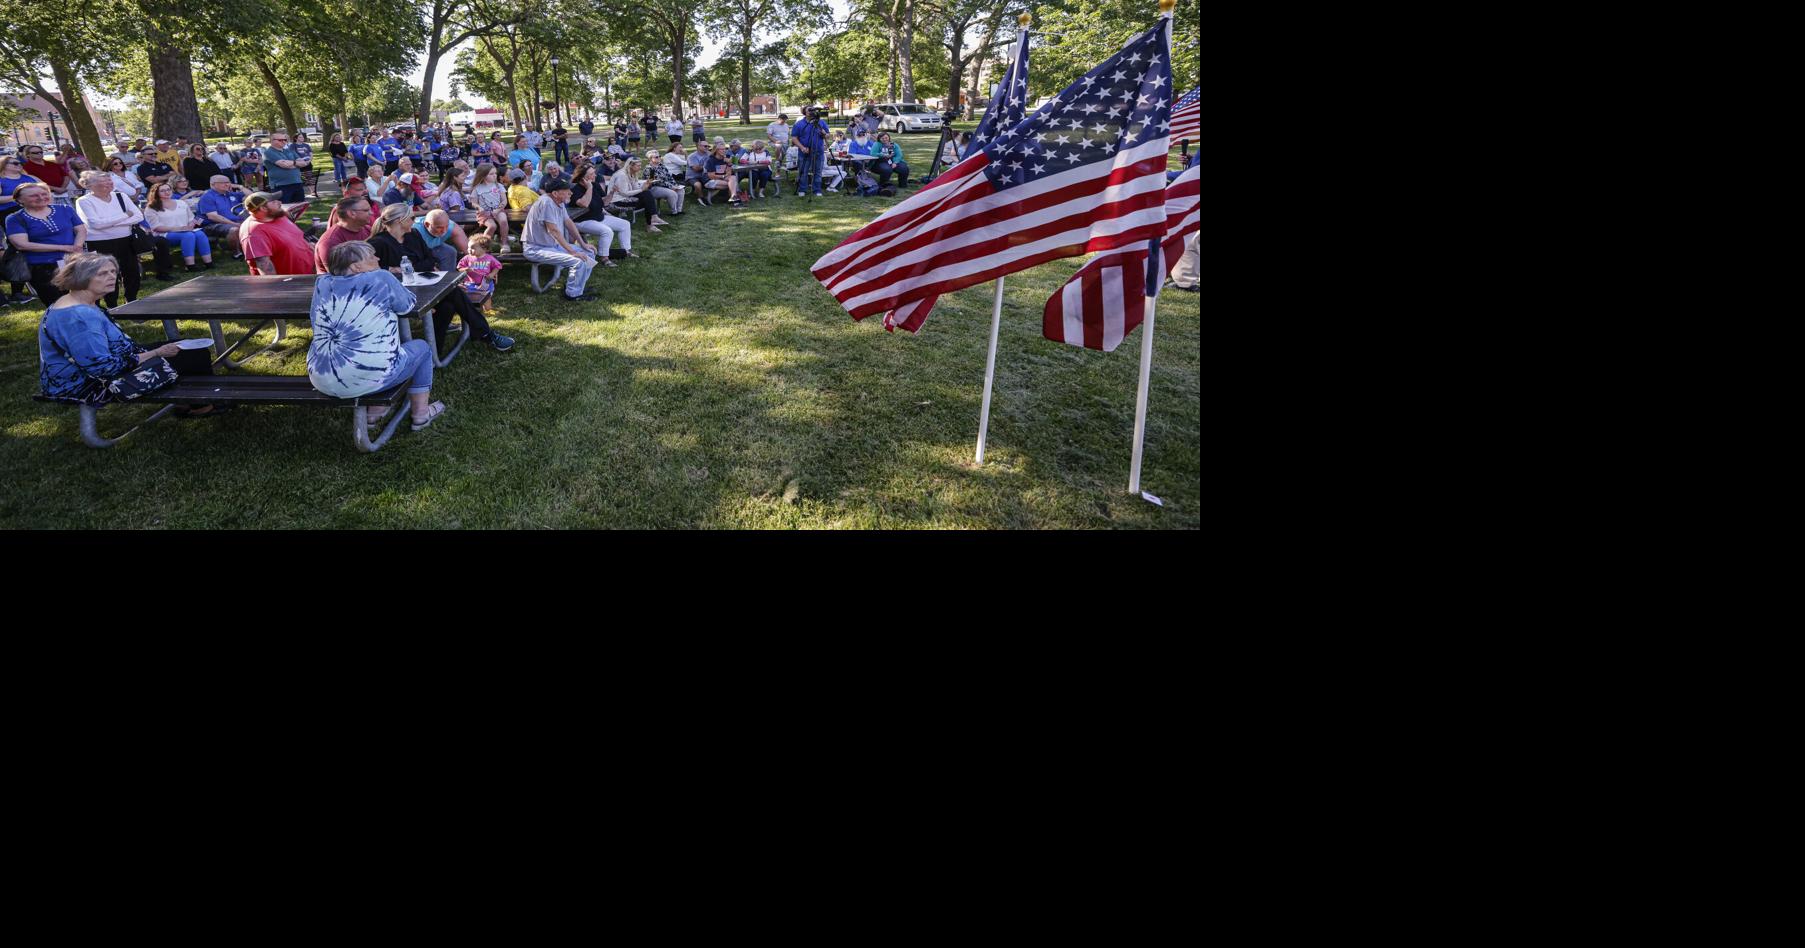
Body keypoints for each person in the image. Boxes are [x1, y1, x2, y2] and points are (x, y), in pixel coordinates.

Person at [308, 240, 446, 431]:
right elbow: (407, 306)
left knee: (378, 356)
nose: (378, 258)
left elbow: (314, 319)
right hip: (371, 376)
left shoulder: (322, 283)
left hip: (321, 378)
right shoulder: (380, 277)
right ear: (356, 267)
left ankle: (376, 411)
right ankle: (421, 415)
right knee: (422, 348)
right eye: (371, 256)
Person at [38, 253, 189, 405]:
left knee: (186, 348)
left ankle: (186, 404)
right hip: (85, 385)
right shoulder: (79, 317)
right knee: (192, 357)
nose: (112, 277)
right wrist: (156, 353)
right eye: (102, 274)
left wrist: (153, 352)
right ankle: (191, 405)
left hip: (113, 364)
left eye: (113, 271)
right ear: (82, 277)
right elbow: (103, 368)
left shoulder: (79, 302)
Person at [367, 202, 514, 351]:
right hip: (401, 294)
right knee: (453, 295)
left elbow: (430, 260)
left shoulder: (413, 235)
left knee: (448, 305)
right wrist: (391, 269)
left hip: (423, 284)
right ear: (400, 221)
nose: (414, 221)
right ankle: (486, 334)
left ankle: (434, 350)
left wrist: (407, 269)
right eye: (412, 217)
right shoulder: (378, 243)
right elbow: (366, 271)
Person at [77, 170, 170, 306]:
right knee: (106, 275)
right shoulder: (84, 201)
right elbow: (96, 224)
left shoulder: (121, 196)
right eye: (103, 181)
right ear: (89, 185)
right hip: (99, 243)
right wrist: (125, 215)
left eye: (109, 180)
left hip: (126, 240)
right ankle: (112, 305)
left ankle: (131, 300)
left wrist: (110, 222)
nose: (109, 183)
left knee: (131, 272)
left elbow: (138, 216)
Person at [5, 182, 84, 306]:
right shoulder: (15, 218)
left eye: (44, 194)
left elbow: (81, 230)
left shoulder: (65, 209)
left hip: (72, 261)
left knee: (83, 298)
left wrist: (77, 247)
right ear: (20, 200)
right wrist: (63, 247)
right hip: (42, 267)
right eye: (34, 196)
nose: (41, 197)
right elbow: (22, 244)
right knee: (56, 303)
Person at [522, 178, 601, 302]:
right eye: (567, 190)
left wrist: (583, 244)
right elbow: (553, 231)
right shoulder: (546, 203)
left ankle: (578, 287)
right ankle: (572, 295)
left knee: (589, 253)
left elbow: (568, 222)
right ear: (555, 193)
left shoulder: (559, 201)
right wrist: (572, 252)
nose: (571, 193)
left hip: (552, 246)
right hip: (536, 249)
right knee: (578, 261)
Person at [238, 191, 314, 277]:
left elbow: (295, 238)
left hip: (309, 274)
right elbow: (265, 267)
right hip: (291, 281)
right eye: (274, 202)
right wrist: (276, 285)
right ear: (263, 208)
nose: (280, 202)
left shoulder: (278, 216)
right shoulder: (253, 232)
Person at [0, 156, 43, 304]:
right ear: (4, 165)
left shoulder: (29, 178)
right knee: (18, 248)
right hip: (10, 214)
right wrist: (19, 197)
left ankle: (41, 281)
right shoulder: (2, 180)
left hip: (34, 211)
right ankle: (16, 290)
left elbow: (44, 188)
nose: (19, 165)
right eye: (15, 163)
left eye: (21, 163)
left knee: (39, 243)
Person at [567, 163, 627, 264]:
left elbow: (605, 202)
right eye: (591, 174)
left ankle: (626, 250)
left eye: (594, 173)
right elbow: (584, 204)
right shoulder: (575, 189)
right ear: (583, 177)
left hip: (598, 217)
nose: (595, 175)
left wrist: (611, 192)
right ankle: (604, 258)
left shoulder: (595, 185)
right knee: (607, 231)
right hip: (582, 221)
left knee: (625, 224)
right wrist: (589, 188)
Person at [143, 183, 213, 272]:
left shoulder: (181, 203)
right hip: (165, 234)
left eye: (168, 189)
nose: (167, 192)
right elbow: (156, 227)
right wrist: (179, 229)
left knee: (200, 234)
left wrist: (191, 225)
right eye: (162, 191)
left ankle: (208, 263)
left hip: (185, 230)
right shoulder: (151, 208)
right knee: (188, 236)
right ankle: (190, 266)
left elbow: (191, 218)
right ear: (156, 193)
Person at [316, 193, 374, 273]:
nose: (371, 213)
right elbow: (338, 275)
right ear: (351, 214)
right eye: (366, 210)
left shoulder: (367, 230)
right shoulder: (330, 241)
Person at [195, 175, 249, 254]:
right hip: (214, 224)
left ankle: (254, 248)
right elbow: (213, 217)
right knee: (234, 229)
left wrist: (240, 186)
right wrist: (234, 224)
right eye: (223, 183)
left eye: (228, 182)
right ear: (213, 184)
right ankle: (237, 253)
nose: (227, 184)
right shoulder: (207, 197)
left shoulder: (231, 194)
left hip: (235, 221)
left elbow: (253, 196)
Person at [610, 157, 668, 230]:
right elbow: (624, 193)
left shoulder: (632, 173)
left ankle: (652, 220)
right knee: (647, 200)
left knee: (647, 195)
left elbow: (635, 188)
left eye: (640, 165)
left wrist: (645, 185)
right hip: (618, 200)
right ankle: (650, 223)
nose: (640, 167)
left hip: (627, 196)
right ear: (630, 166)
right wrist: (641, 189)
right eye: (638, 166)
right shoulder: (622, 175)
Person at [468, 163, 512, 253]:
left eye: (495, 173)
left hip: (499, 210)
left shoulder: (499, 186)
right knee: (492, 226)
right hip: (484, 213)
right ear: (483, 175)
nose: (494, 175)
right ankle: (483, 246)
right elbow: (473, 202)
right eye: (491, 174)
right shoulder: (477, 188)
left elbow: (504, 201)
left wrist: (497, 210)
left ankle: (504, 243)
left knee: (503, 221)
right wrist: (479, 207)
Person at [457, 232, 502, 313]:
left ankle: (488, 310)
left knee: (486, 296)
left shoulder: (489, 258)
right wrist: (465, 269)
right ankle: (471, 309)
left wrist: (492, 274)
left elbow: (497, 266)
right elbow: (459, 267)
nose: (469, 250)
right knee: (471, 297)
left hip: (485, 282)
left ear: (484, 249)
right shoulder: (467, 258)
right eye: (468, 247)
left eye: (472, 248)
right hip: (470, 283)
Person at [792, 107, 829, 197]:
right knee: (803, 171)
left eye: (813, 110)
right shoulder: (799, 124)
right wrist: (802, 147)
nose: (812, 112)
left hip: (818, 151)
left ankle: (817, 190)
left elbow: (828, 135)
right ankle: (802, 189)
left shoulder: (821, 122)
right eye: (810, 110)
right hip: (804, 152)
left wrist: (824, 133)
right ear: (804, 112)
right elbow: (794, 138)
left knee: (818, 171)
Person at [262, 131, 304, 204]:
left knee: (299, 206)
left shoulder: (289, 150)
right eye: (280, 140)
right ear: (272, 141)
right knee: (283, 208)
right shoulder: (268, 152)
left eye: (285, 140)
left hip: (297, 182)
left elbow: (304, 163)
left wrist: (291, 163)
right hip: (280, 185)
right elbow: (284, 165)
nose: (284, 141)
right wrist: (295, 163)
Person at [644, 149, 685, 215]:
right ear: (650, 159)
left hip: (666, 186)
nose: (659, 158)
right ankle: (674, 212)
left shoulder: (661, 166)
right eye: (656, 157)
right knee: (672, 193)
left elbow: (669, 177)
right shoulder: (649, 169)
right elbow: (657, 182)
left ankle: (679, 210)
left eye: (659, 156)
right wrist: (671, 187)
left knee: (681, 190)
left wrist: (675, 185)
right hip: (654, 188)